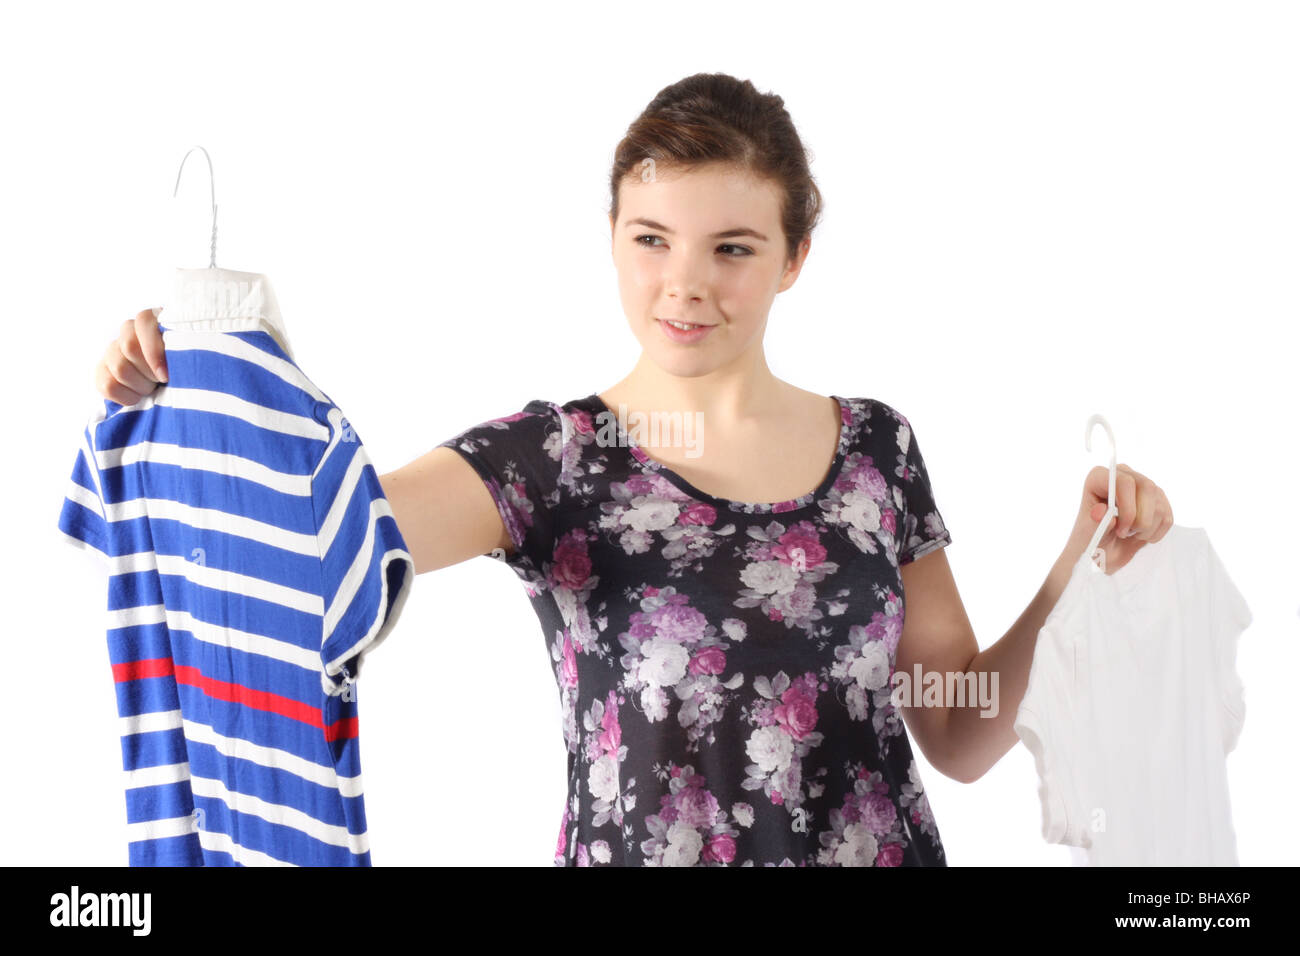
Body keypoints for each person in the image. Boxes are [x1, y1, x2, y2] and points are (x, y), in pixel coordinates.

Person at [91, 72, 1173, 866]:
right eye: (650, 238)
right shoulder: (556, 456)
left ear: (794, 256)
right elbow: (332, 537)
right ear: (611, 234)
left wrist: (1080, 564)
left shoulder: (878, 448)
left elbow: (958, 729)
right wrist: (196, 378)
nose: (683, 283)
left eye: (731, 248)